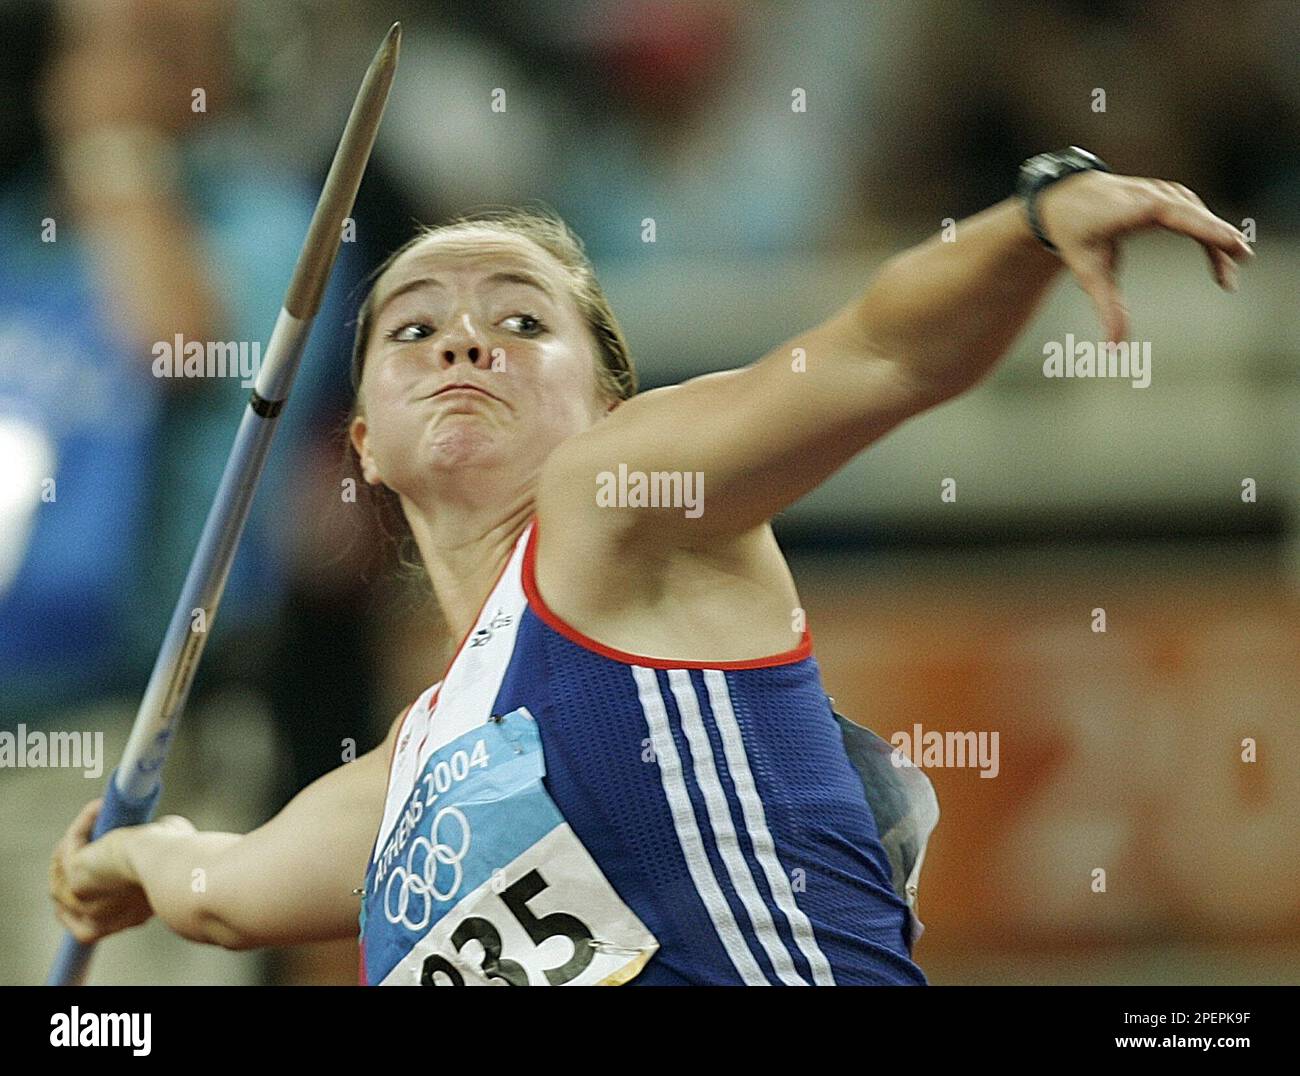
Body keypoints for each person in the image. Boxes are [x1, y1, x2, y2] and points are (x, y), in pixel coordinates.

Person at [49, 154, 1253, 985]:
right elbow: (224, 886)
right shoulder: (413, 770)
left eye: (521, 322)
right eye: (412, 329)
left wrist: (1037, 212)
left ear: (609, 403)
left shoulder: (614, 506)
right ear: (359, 438)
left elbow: (875, 354)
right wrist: (121, 859)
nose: (464, 335)